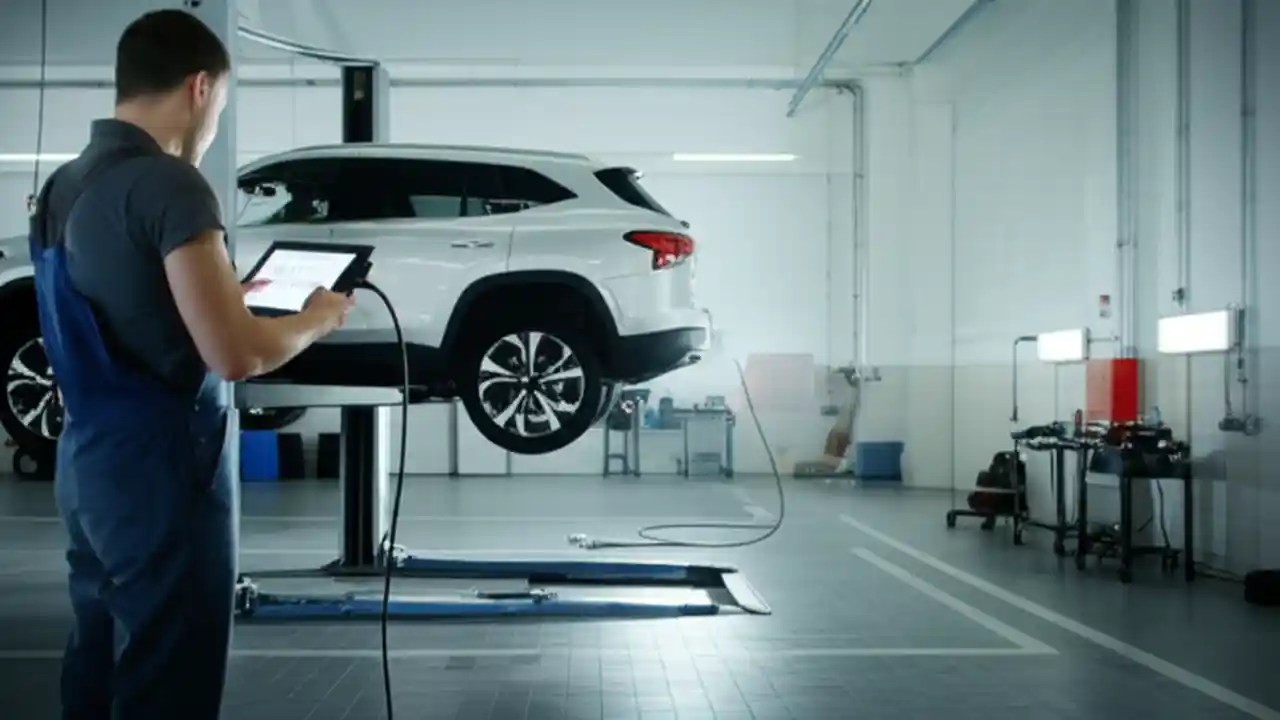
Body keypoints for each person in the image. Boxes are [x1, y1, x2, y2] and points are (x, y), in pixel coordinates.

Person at [28, 10, 353, 719]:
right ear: (200, 88)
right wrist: (318, 316)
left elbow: (122, 306)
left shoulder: (63, 187)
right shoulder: (169, 186)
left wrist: (218, 297)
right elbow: (236, 354)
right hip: (164, 472)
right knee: (168, 674)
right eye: (220, 107)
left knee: (100, 657)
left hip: (86, 467)